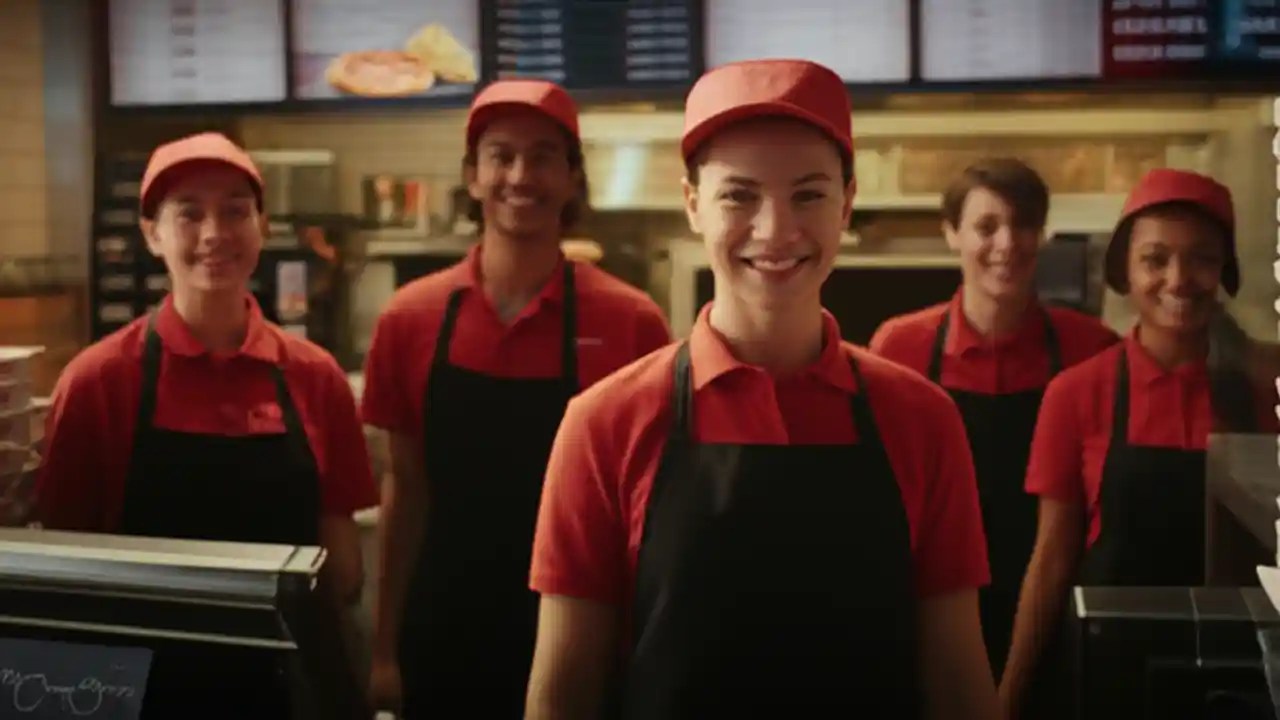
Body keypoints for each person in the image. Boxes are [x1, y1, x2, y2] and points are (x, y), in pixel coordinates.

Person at [524, 59, 1000, 720]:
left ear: (847, 202)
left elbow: (958, 683)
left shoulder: (923, 420)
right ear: (692, 204)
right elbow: (563, 695)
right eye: (739, 195)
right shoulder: (604, 424)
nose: (776, 230)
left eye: (807, 194)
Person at [34, 132, 378, 715]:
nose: (215, 234)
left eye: (235, 212)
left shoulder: (315, 379)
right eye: (189, 214)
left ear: (262, 228)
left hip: (287, 691)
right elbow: (69, 584)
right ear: (152, 234)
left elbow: (342, 572)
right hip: (143, 692)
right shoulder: (97, 383)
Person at [361, 79, 671, 718]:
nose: (520, 175)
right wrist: (384, 649)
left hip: (582, 633)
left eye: (543, 156)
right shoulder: (410, 318)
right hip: (444, 627)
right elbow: (407, 492)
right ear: (473, 176)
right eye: (501, 155)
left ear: (572, 178)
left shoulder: (631, 322)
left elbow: (648, 514)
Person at [998, 168, 1272, 718]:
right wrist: (1006, 702)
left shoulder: (1267, 384)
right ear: (1125, 269)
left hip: (1243, 680)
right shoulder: (1077, 393)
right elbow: (1052, 558)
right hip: (1109, 678)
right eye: (1155, 258)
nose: (1179, 278)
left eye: (1201, 258)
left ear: (1225, 270)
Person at [869, 157, 1117, 676]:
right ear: (951, 234)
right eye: (986, 226)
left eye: (1023, 225)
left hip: (1055, 608)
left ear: (1042, 235)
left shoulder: (1090, 348)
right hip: (933, 603)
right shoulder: (900, 345)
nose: (1007, 244)